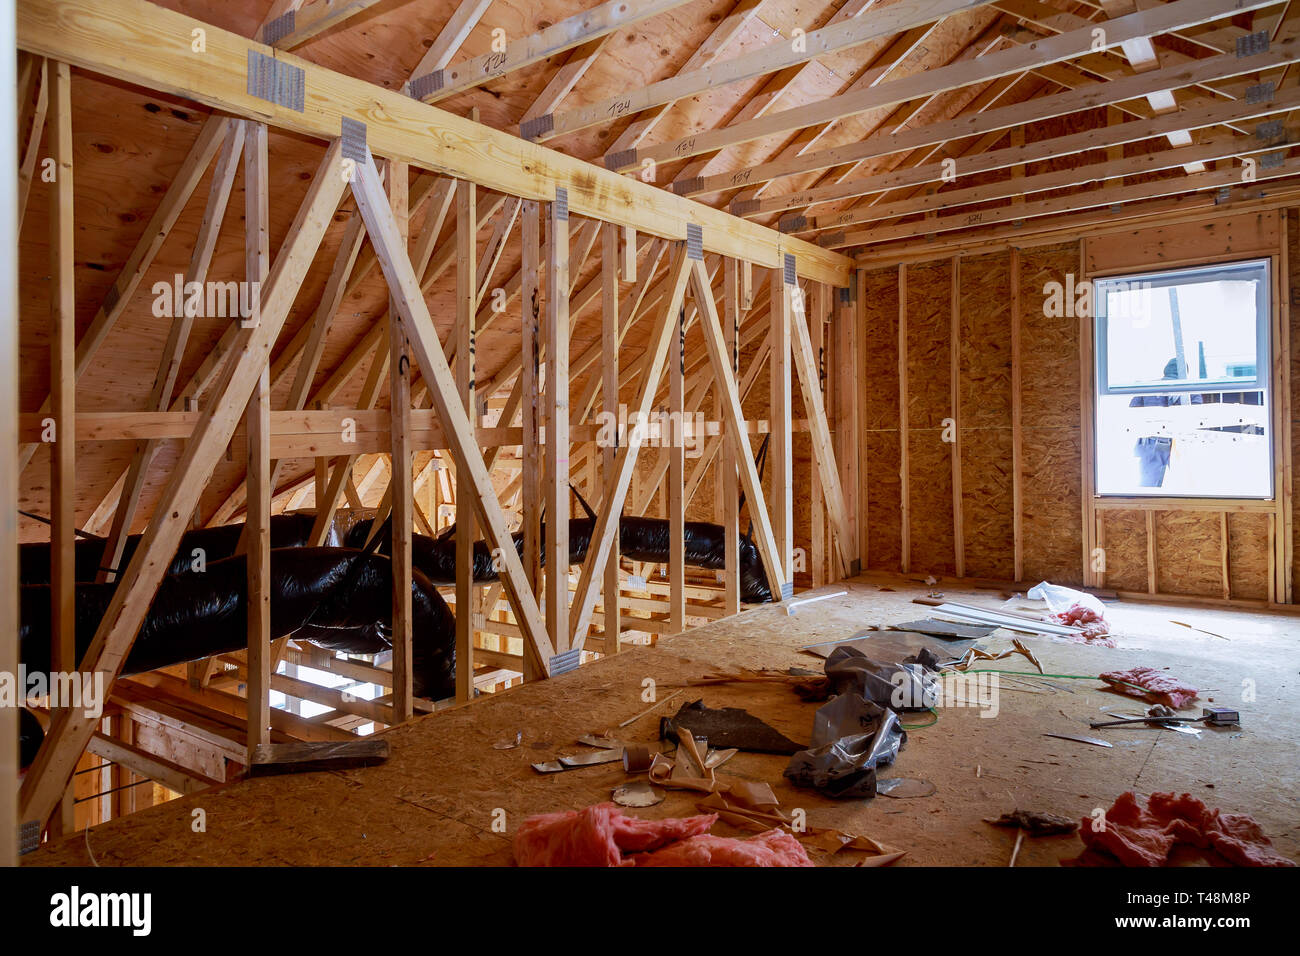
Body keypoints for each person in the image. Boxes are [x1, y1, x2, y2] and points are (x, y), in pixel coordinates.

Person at [1130, 358, 1201, 487]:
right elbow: (1197, 417)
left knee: (1148, 488)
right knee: (1182, 488)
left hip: (1149, 444)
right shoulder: (1189, 389)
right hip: (1178, 445)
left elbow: (1133, 412)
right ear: (1185, 372)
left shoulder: (1148, 387)